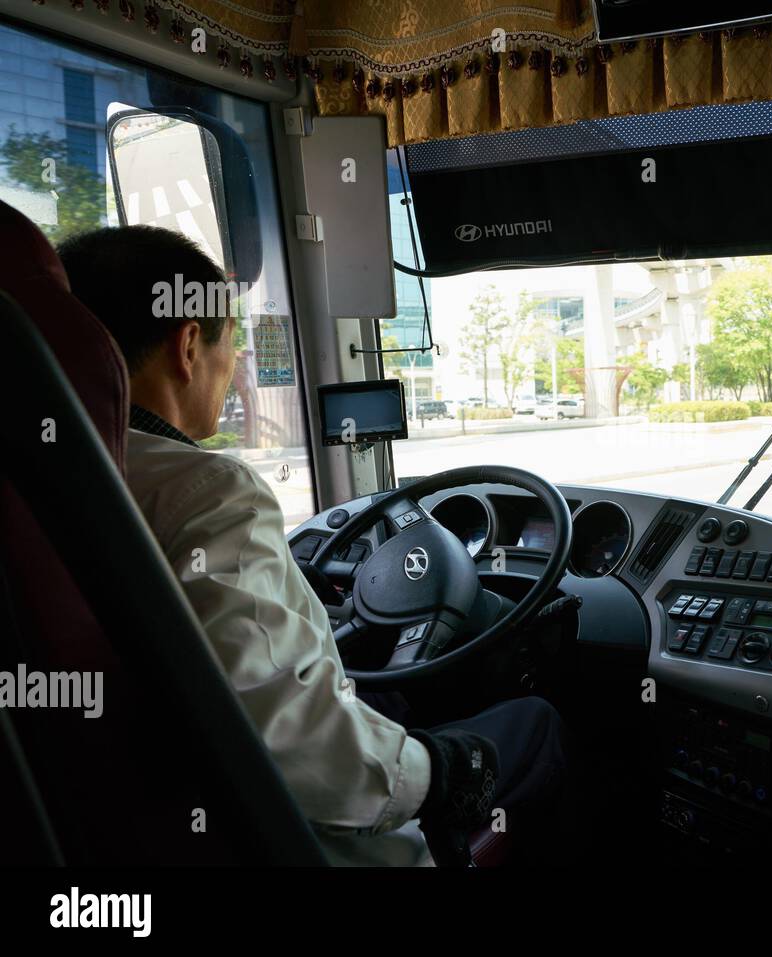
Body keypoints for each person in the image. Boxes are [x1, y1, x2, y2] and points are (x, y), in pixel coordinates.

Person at [57, 225, 572, 866]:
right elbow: (281, 737)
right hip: (306, 838)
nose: (235, 364)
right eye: (232, 343)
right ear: (187, 343)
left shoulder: (54, 474)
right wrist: (439, 772)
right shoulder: (206, 490)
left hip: (132, 814)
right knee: (538, 720)